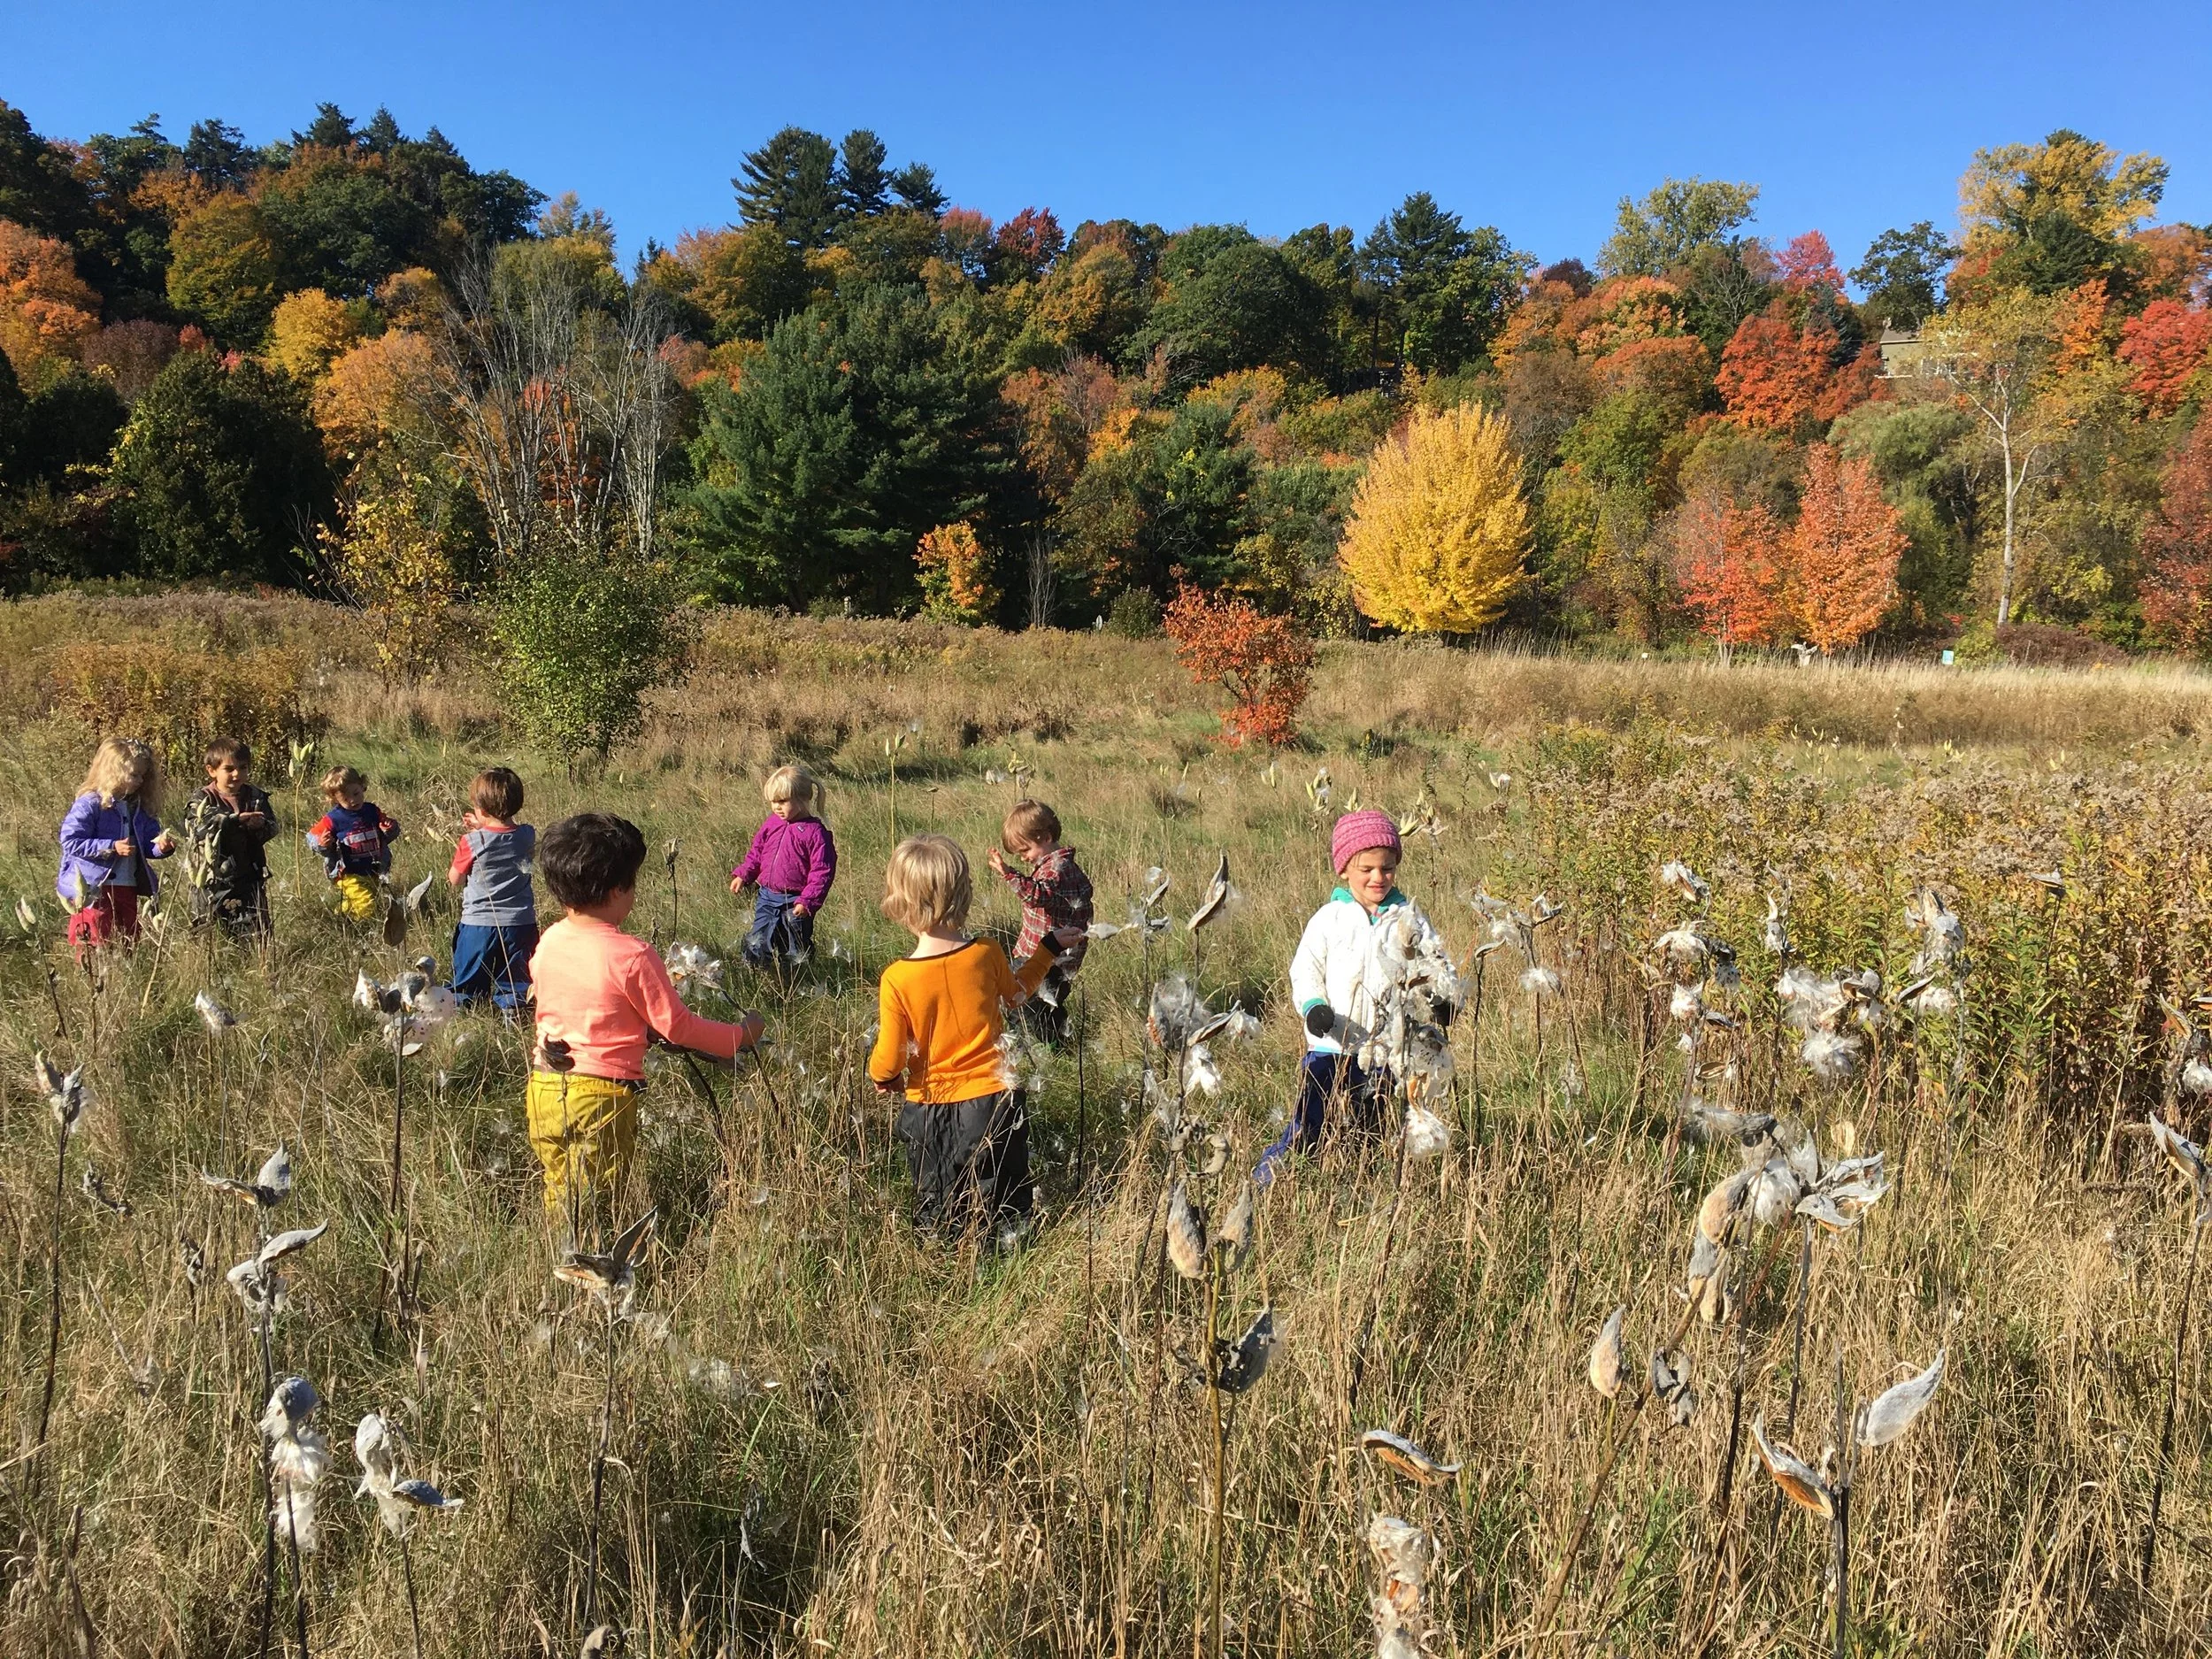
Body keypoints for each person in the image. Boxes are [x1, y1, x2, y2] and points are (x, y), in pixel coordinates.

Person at [529, 812, 764, 1230]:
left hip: (544, 1086)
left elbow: (576, 1003)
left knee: (561, 1187)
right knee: (600, 1199)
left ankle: (556, 1251)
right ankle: (593, 1258)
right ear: (618, 889)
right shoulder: (632, 955)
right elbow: (679, 1027)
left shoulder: (549, 939)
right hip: (601, 1097)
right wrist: (740, 1037)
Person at [867, 833, 1079, 1242]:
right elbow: (1018, 994)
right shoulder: (986, 952)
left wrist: (882, 1077)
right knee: (1006, 1198)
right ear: (963, 893)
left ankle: (947, 1260)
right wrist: (1047, 949)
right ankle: (1009, 1257)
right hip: (995, 1100)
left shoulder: (897, 978)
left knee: (940, 1204)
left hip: (930, 1106)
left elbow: (889, 1059)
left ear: (901, 901)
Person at [1255, 810, 1449, 1187]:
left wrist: (1441, 997)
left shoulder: (1409, 918)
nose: (1378, 877)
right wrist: (1314, 1007)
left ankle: (1360, 1187)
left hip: (1385, 1049)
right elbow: (1305, 969)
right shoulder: (1329, 919)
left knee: (1371, 1130)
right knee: (1309, 1124)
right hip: (1330, 1045)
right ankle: (1269, 1180)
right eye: (1367, 869)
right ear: (1344, 869)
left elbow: (1435, 961)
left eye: (1387, 868)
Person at [57, 737, 174, 953]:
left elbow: (148, 844)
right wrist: (111, 847)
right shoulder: (90, 803)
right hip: (94, 888)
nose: (140, 781)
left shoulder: (138, 807)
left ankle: (126, 973)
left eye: (143, 776)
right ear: (113, 771)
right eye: (134, 775)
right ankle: (92, 973)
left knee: (128, 940)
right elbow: (71, 841)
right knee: (94, 941)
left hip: (127, 885)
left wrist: (161, 847)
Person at [987, 799, 1094, 1038]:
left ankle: (1025, 1043)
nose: (1023, 858)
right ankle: (1056, 1043)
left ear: (1046, 837)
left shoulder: (1057, 869)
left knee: (1019, 1000)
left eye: (1025, 850)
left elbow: (1037, 895)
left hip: (1041, 957)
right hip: (1058, 959)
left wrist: (1008, 874)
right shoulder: (1061, 867)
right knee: (1048, 1005)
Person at [727, 763, 836, 970]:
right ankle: (756, 972)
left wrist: (808, 901)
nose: (776, 807)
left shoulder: (816, 833)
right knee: (758, 939)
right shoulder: (772, 823)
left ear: (802, 798)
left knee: (794, 946)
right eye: (773, 802)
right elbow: (757, 852)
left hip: (796, 902)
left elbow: (822, 872)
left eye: (782, 801)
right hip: (767, 896)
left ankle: (796, 976)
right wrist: (744, 874)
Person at [448, 766, 538, 1012]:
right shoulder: (528, 835)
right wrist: (484, 824)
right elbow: (505, 833)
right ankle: (512, 1013)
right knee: (516, 981)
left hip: (478, 925)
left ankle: (467, 1012)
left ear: (483, 810)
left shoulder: (471, 841)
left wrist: (479, 830)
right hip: (521, 923)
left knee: (468, 982)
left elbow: (455, 879)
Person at [182, 736, 279, 939]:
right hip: (209, 878)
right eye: (229, 769)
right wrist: (234, 821)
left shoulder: (255, 796)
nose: (237, 774)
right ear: (212, 770)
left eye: (243, 768)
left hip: (249, 875)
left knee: (258, 933)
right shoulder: (202, 798)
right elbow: (197, 827)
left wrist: (259, 826)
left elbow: (273, 827)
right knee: (207, 933)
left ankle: (257, 957)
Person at [306, 765, 398, 923]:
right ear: (335, 799)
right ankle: (362, 926)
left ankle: (339, 917)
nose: (353, 800)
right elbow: (311, 837)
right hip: (348, 873)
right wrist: (322, 843)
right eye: (345, 798)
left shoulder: (372, 811)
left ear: (362, 786)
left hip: (373, 869)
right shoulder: (333, 819)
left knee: (362, 900)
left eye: (356, 793)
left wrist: (390, 828)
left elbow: (387, 833)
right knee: (366, 905)